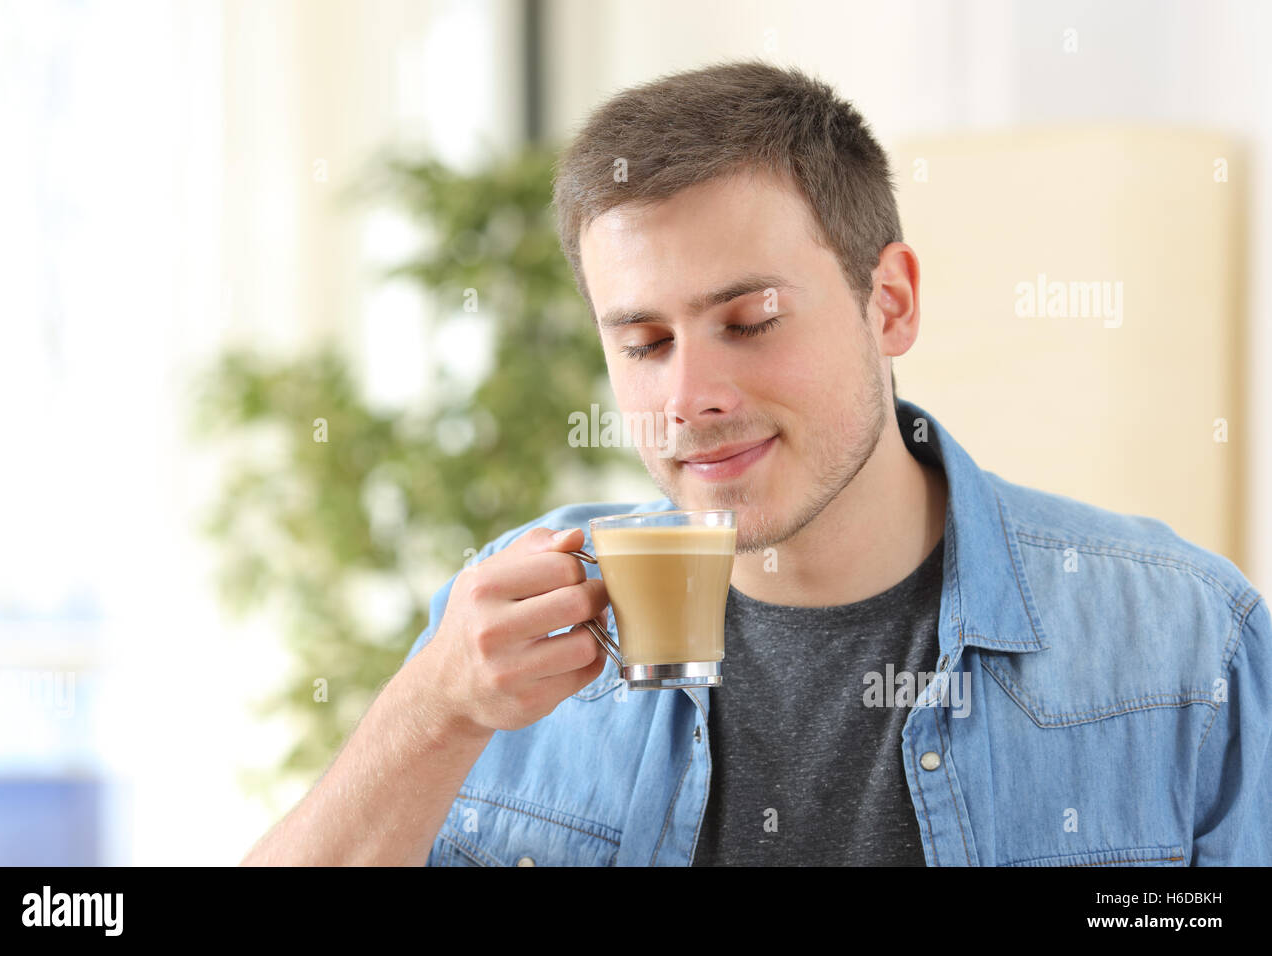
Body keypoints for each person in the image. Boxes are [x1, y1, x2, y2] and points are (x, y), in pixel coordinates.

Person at [241, 60, 1270, 867]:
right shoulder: (506, 625)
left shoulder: (1183, 643)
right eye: (643, 343)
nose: (688, 397)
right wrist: (431, 710)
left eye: (749, 319)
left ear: (892, 302)